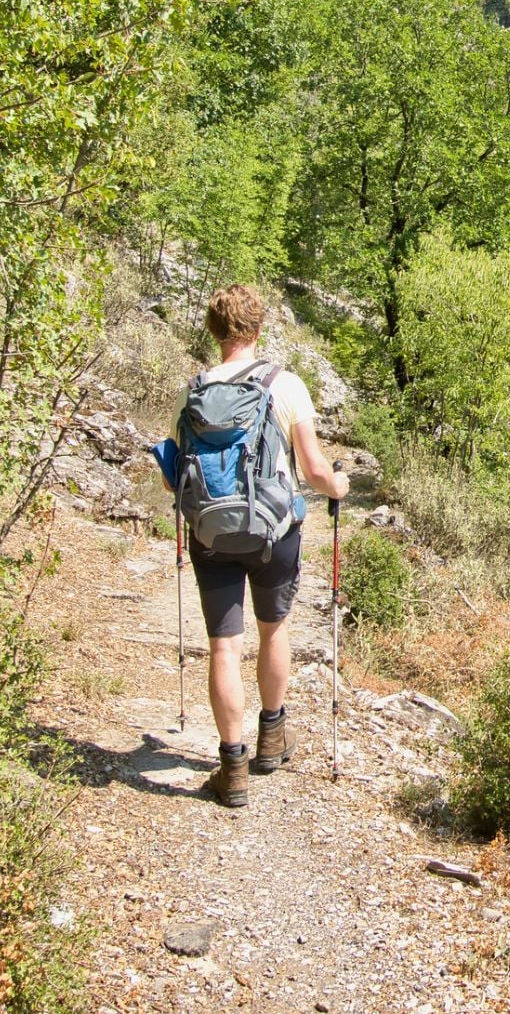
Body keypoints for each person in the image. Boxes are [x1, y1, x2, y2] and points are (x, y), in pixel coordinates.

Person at [182, 284, 349, 807]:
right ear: (258, 330)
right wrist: (339, 487)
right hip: (274, 531)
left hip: (211, 535)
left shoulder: (195, 392)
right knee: (274, 630)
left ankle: (231, 769)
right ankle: (271, 739)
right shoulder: (286, 386)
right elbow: (316, 470)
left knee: (223, 645)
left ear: (214, 332)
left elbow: (177, 477)